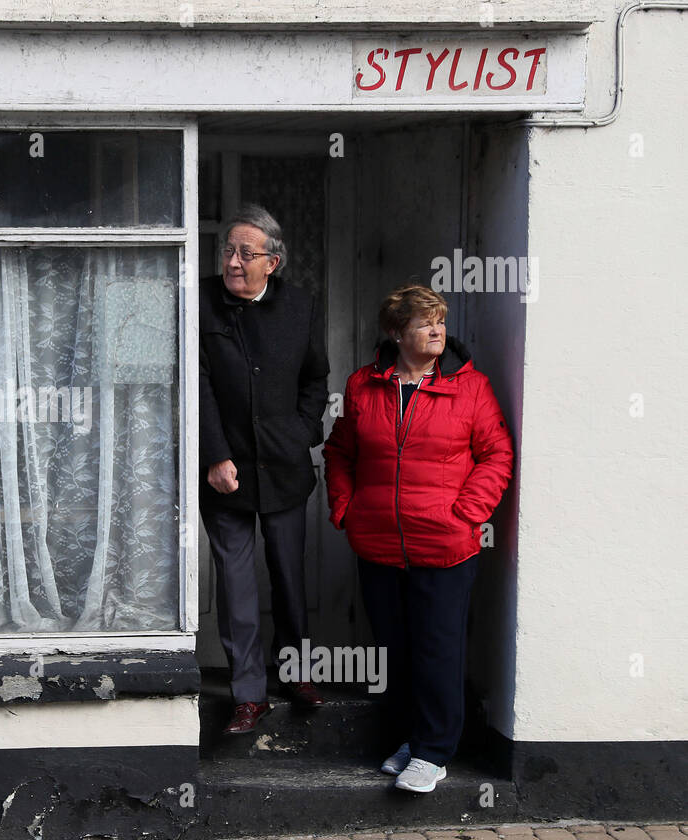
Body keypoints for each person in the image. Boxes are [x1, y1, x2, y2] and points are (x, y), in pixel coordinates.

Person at [322, 284, 513, 792]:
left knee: (438, 650)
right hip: (379, 544)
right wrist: (346, 507)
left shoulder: (469, 388)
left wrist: (468, 513)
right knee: (398, 650)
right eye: (425, 322)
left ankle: (434, 752)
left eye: (440, 322)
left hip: (446, 545)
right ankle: (413, 740)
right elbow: (340, 452)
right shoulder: (364, 386)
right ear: (396, 332)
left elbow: (497, 453)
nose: (436, 330)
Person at [198, 204, 330, 734]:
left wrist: (301, 431)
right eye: (228, 251)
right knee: (235, 587)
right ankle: (249, 693)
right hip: (224, 470)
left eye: (245, 254)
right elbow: (196, 382)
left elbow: (315, 379)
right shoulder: (201, 300)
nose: (232, 262)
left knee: (289, 578)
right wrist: (214, 454)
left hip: (284, 466)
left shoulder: (300, 307)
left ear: (271, 263)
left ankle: (295, 672)